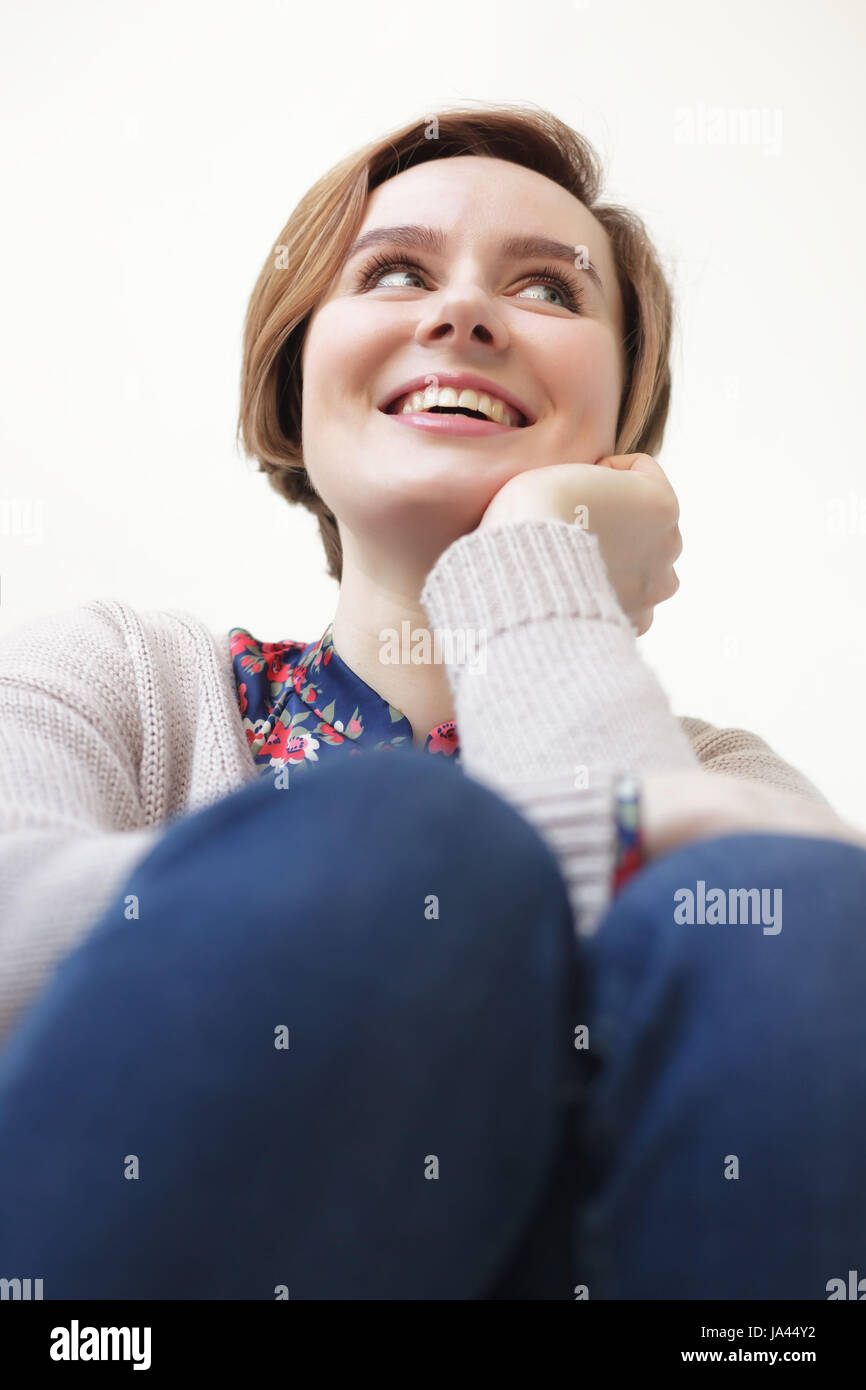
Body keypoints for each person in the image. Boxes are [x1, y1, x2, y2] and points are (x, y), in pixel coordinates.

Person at [0, 104, 864, 1300]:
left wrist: (528, 562)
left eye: (552, 291)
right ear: (290, 373)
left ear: (621, 422)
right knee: (405, 834)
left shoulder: (729, 779)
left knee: (791, 909)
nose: (461, 314)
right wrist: (472, 867)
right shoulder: (115, 684)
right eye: (393, 270)